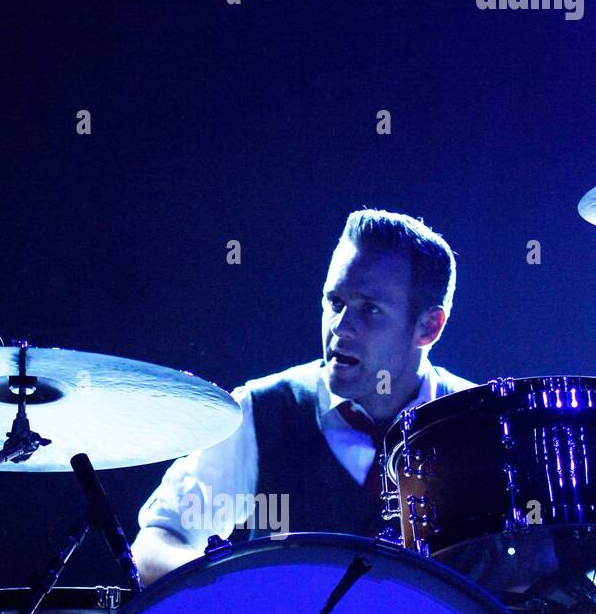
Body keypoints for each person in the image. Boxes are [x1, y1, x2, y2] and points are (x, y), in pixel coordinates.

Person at [132, 209, 476, 585]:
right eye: (334, 302)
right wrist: (242, 591)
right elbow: (153, 549)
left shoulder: (477, 424)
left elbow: (532, 575)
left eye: (370, 309)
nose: (340, 328)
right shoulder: (261, 414)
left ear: (429, 326)